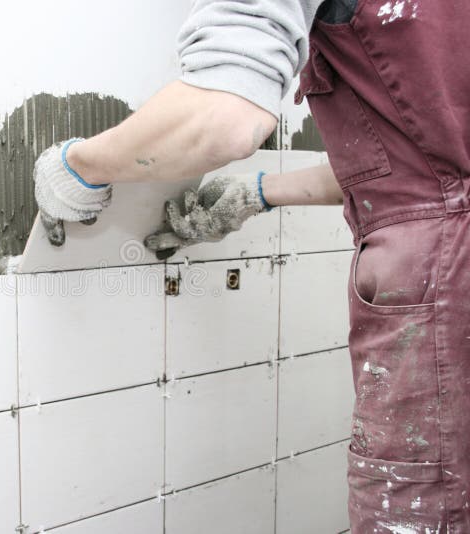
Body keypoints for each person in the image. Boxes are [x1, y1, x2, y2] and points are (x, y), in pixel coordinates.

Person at [33, 0, 470, 532]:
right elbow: (426, 169)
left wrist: (79, 167)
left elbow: (225, 122)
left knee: (421, 507)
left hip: (443, 281)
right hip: (448, 251)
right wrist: (258, 194)